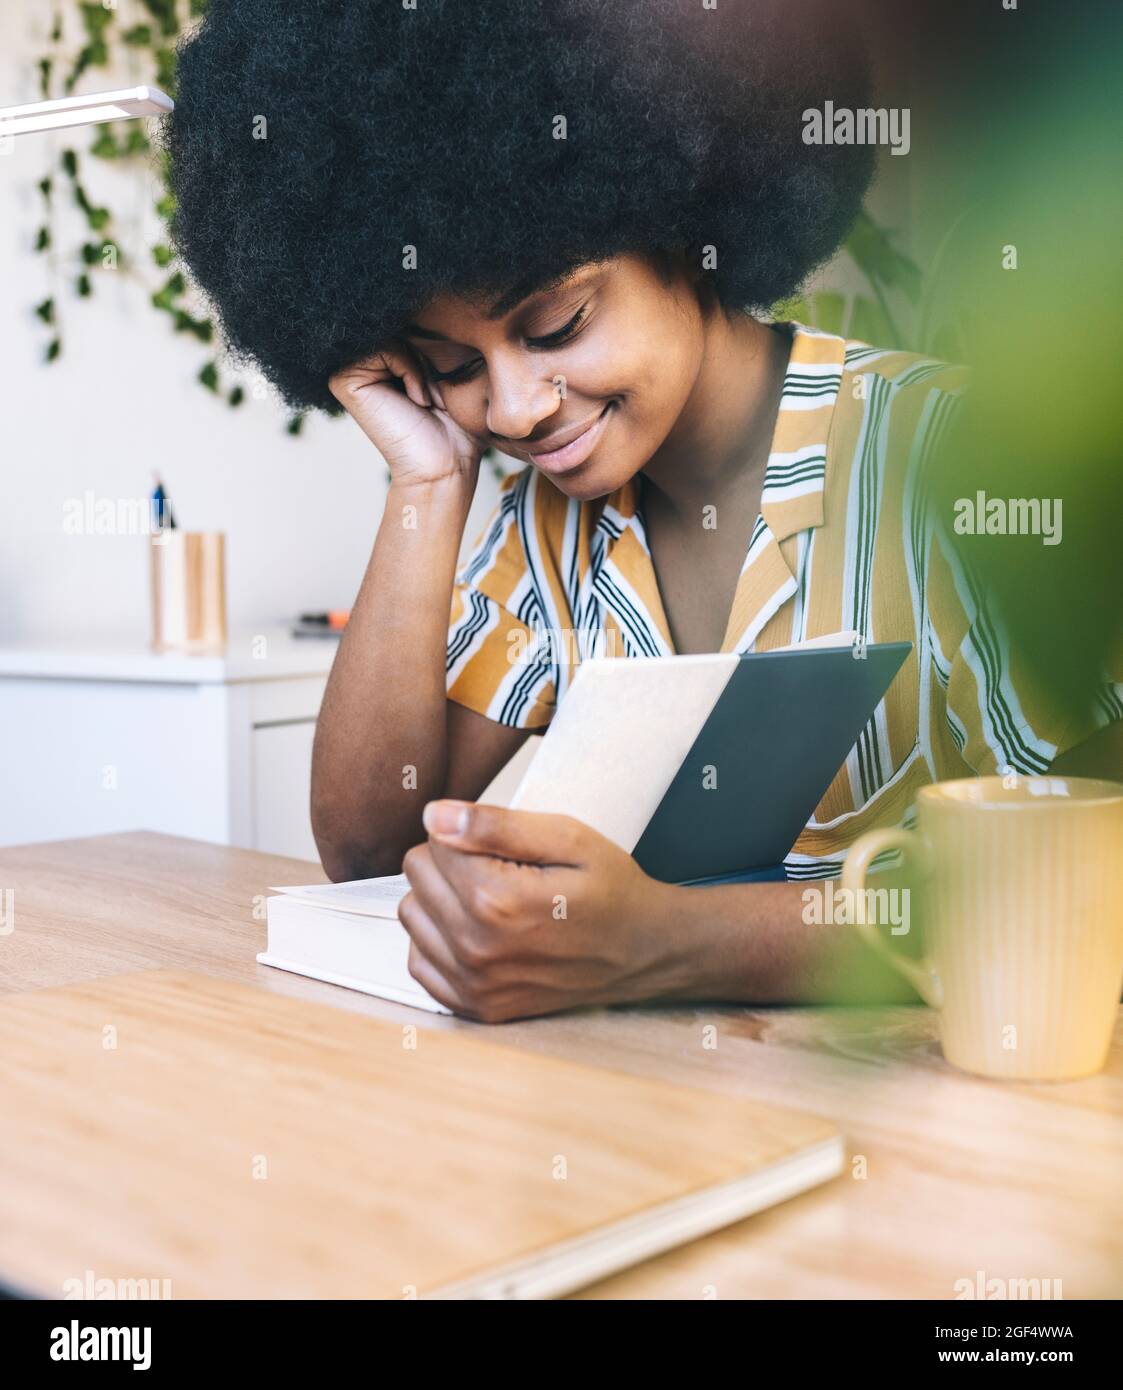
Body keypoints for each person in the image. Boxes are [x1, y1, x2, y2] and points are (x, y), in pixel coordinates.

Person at [166, 1, 1116, 1021]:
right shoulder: (546, 528)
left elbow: (1094, 873)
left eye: (558, 323)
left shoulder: (949, 452)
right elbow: (365, 851)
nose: (519, 407)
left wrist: (664, 943)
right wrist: (427, 483)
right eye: (453, 365)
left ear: (687, 224)